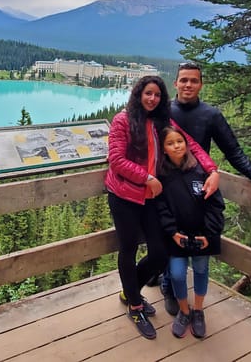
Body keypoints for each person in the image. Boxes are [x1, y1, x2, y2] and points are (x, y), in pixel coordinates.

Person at [159, 61, 251, 318]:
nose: (188, 84)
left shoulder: (210, 115)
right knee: (166, 232)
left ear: (201, 84)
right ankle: (167, 285)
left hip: (196, 185)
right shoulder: (164, 110)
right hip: (167, 182)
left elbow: (233, 150)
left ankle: (175, 287)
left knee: (190, 237)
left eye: (193, 80)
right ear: (176, 83)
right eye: (184, 80)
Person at [105, 75, 219, 339]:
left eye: (157, 95)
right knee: (128, 249)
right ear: (138, 94)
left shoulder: (161, 121)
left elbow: (189, 144)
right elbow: (116, 159)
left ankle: (129, 289)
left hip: (149, 197)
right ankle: (134, 304)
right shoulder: (123, 120)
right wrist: (147, 177)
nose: (152, 99)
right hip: (124, 195)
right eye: (148, 93)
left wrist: (212, 169)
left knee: (159, 252)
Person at [155, 126, 225, 338]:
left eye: (180, 141)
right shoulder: (162, 176)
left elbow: (216, 205)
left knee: (201, 270)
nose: (176, 146)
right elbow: (160, 207)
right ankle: (184, 312)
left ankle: (198, 311)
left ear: (186, 145)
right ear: (164, 149)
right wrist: (172, 232)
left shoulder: (201, 171)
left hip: (203, 236)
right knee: (177, 274)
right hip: (177, 237)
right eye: (170, 143)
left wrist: (209, 234)